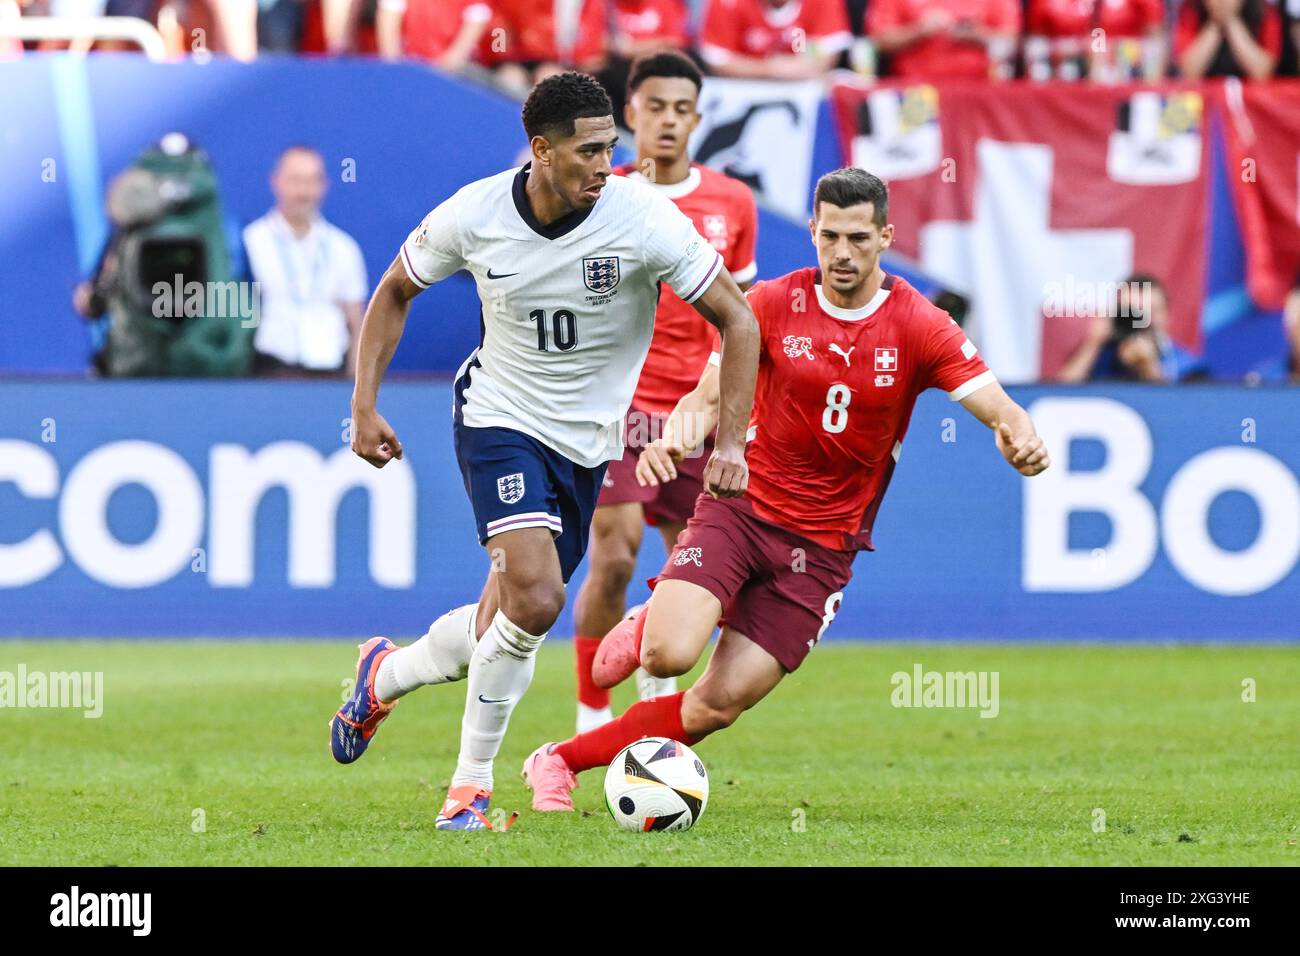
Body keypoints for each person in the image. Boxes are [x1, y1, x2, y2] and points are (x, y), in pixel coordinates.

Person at [519, 167, 1051, 811]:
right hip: (740, 514)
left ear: (886, 235)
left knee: (718, 705)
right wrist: (675, 441)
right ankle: (659, 621)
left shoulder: (920, 324)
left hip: (824, 551)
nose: (843, 253)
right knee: (666, 658)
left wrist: (1020, 438)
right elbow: (705, 397)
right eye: (830, 237)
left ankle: (557, 761)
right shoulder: (769, 302)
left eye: (858, 238)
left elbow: (1000, 408)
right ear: (813, 231)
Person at [330, 72, 761, 831]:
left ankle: (384, 675)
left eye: (609, 148)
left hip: (588, 445)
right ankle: (469, 789)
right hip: (499, 417)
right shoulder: (476, 213)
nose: (605, 165)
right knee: (536, 599)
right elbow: (395, 289)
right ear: (540, 149)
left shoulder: (642, 219)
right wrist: (363, 405)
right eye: (589, 151)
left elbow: (739, 318)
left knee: (502, 626)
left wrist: (730, 441)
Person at [570, 51, 759, 734]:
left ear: (698, 117)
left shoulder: (732, 203)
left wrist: (718, 409)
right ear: (631, 114)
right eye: (656, 107)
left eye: (683, 109)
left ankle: (650, 720)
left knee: (694, 577)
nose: (669, 121)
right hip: (623, 408)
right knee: (615, 555)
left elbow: (740, 316)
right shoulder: (605, 196)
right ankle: (592, 713)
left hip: (698, 410)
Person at [242, 145, 368, 377]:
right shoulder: (251, 242)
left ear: (324, 185)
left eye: (312, 180)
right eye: (295, 180)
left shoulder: (343, 247)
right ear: (276, 181)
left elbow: (357, 322)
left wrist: (357, 385)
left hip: (330, 372)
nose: (304, 191)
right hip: (270, 371)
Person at [1054, 273, 1199, 384]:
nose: (1141, 322)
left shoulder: (1188, 366)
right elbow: (1057, 397)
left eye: (1150, 311)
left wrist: (1147, 369)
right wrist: (1093, 343)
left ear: (1166, 315)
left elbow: (1181, 409)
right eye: (1131, 313)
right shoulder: (1100, 356)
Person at [697, 0, 854, 80]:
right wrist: (771, 69)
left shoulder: (820, 3)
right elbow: (718, 60)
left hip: (804, 99)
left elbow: (824, 56)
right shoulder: (729, 3)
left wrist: (801, 66)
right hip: (743, 96)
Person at [868, 0, 1021, 79]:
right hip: (914, 90)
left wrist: (976, 35)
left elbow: (1011, 43)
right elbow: (879, 41)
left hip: (977, 90)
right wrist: (919, 30)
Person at [1175, 0, 1281, 80]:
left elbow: (1261, 73)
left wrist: (1231, 21)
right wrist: (1215, 24)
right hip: (1204, 99)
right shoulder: (1190, 9)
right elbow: (1189, 73)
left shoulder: (1263, 10)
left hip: (1249, 101)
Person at [376, 0, 494, 70]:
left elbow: (473, 27)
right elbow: (388, 27)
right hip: (409, 66)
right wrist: (396, 68)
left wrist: (441, 71)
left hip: (456, 71)